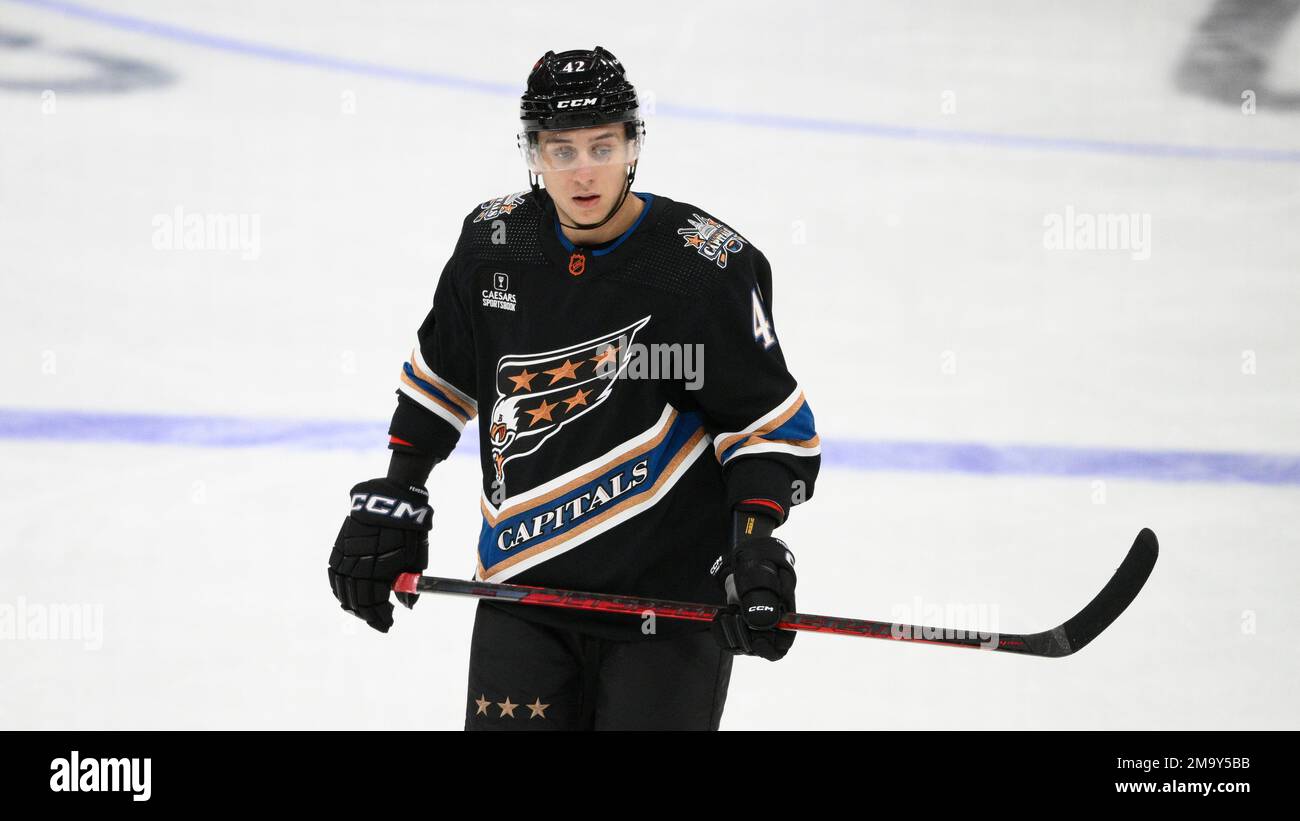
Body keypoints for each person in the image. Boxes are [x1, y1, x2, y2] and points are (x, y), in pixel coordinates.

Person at [328, 46, 820, 731]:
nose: (584, 171)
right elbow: (441, 376)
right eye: (562, 150)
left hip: (666, 614)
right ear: (533, 153)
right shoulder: (493, 245)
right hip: (522, 600)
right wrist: (399, 489)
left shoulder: (704, 271)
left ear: (632, 146)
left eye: (602, 145)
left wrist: (754, 543)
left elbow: (768, 429)